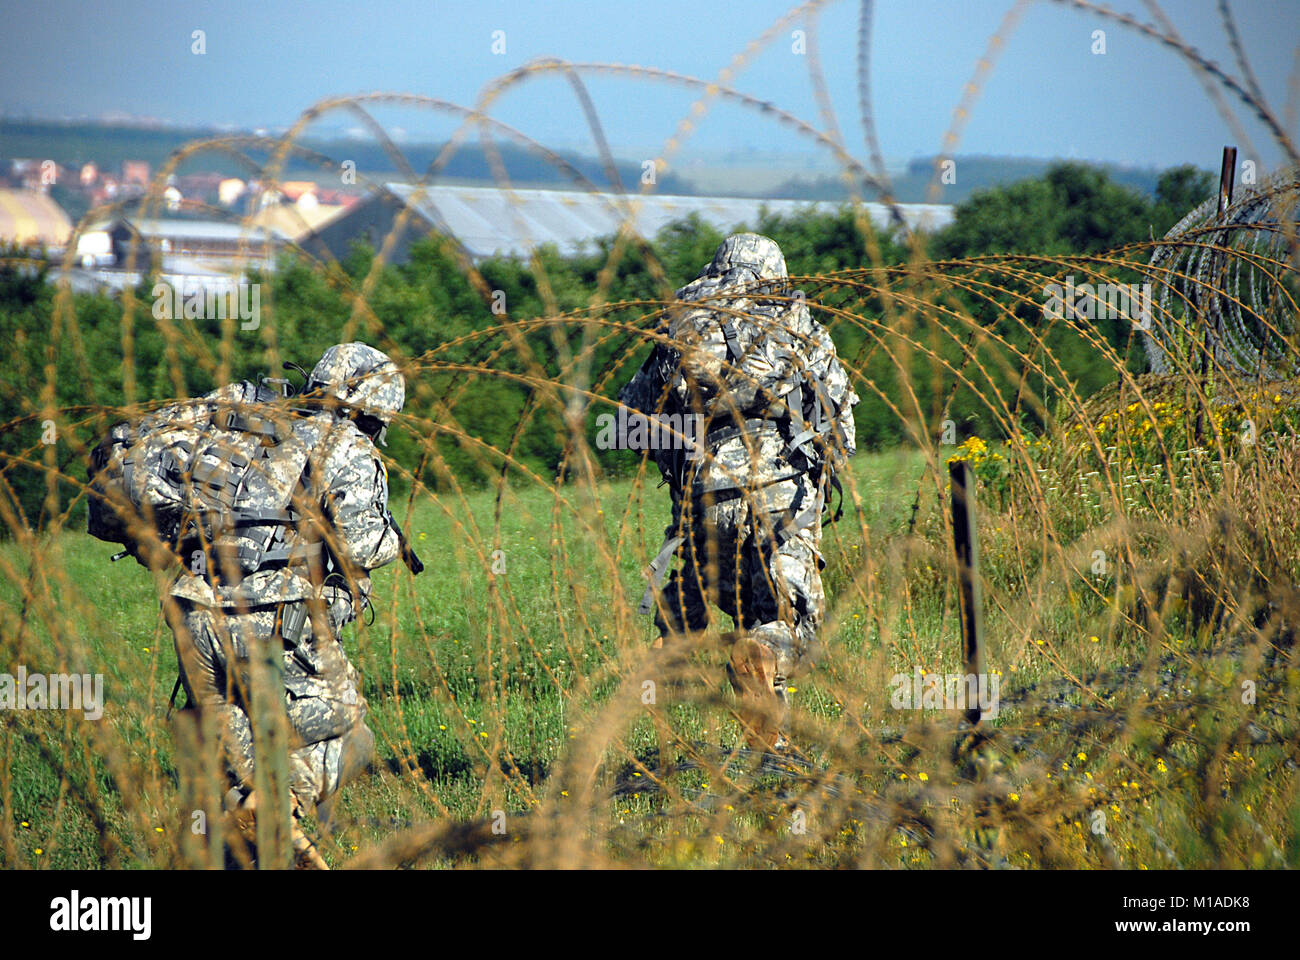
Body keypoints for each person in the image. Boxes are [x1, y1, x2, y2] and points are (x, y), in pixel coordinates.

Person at [91, 342, 415, 867]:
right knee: (348, 728)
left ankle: (258, 828)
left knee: (233, 763)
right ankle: (277, 810)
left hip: (194, 614)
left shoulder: (244, 420)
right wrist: (390, 541)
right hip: (272, 624)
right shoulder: (344, 444)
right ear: (370, 408)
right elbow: (360, 545)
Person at [618, 234, 858, 752]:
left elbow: (634, 415)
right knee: (792, 622)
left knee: (744, 606)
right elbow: (837, 409)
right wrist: (825, 467)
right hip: (778, 488)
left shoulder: (683, 316)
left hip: (705, 490)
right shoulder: (789, 313)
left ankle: (763, 742)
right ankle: (762, 659)